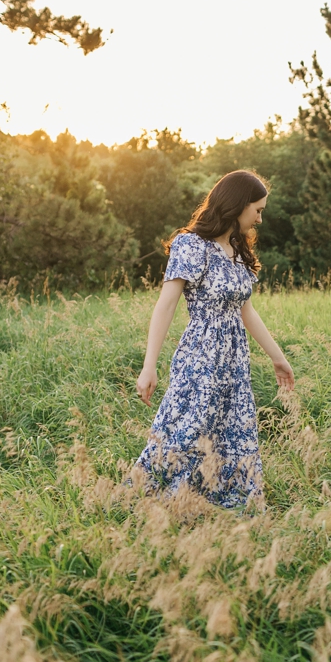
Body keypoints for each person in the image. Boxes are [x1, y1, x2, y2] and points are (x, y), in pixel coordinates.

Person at [132, 170, 295, 511]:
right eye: (257, 210)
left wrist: (278, 358)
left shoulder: (237, 249)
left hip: (235, 360)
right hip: (201, 355)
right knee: (190, 428)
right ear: (238, 205)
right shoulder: (192, 245)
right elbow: (166, 304)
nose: (260, 219)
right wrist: (149, 366)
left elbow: (245, 309)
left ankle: (220, 499)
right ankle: (165, 497)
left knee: (231, 429)